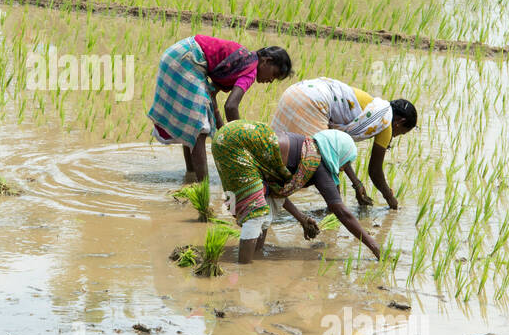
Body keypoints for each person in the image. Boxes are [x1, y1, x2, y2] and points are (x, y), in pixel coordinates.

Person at [211, 121, 380, 264]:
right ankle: (244, 270)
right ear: (337, 154)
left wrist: (302, 219)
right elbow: (342, 212)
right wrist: (373, 245)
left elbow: (278, 193)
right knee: (256, 214)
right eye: (345, 163)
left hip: (228, 135)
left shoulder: (305, 148)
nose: (343, 168)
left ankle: (255, 255)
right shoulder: (317, 165)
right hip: (234, 143)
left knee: (266, 205)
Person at [148, 35, 292, 184]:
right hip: (187, 60)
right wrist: (242, 140)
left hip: (176, 54)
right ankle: (203, 187)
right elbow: (231, 106)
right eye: (274, 75)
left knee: (192, 126)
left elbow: (211, 95)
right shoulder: (251, 70)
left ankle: (191, 177)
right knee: (199, 128)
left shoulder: (243, 59)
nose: (270, 81)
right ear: (266, 61)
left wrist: (222, 129)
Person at [271, 77, 418, 209]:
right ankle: (335, 211)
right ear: (400, 122)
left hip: (296, 92)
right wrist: (390, 199)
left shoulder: (372, 107)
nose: (395, 136)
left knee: (286, 155)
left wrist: (357, 183)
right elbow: (374, 171)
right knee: (317, 163)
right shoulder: (385, 122)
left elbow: (336, 151)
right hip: (314, 102)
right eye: (401, 133)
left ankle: (268, 196)